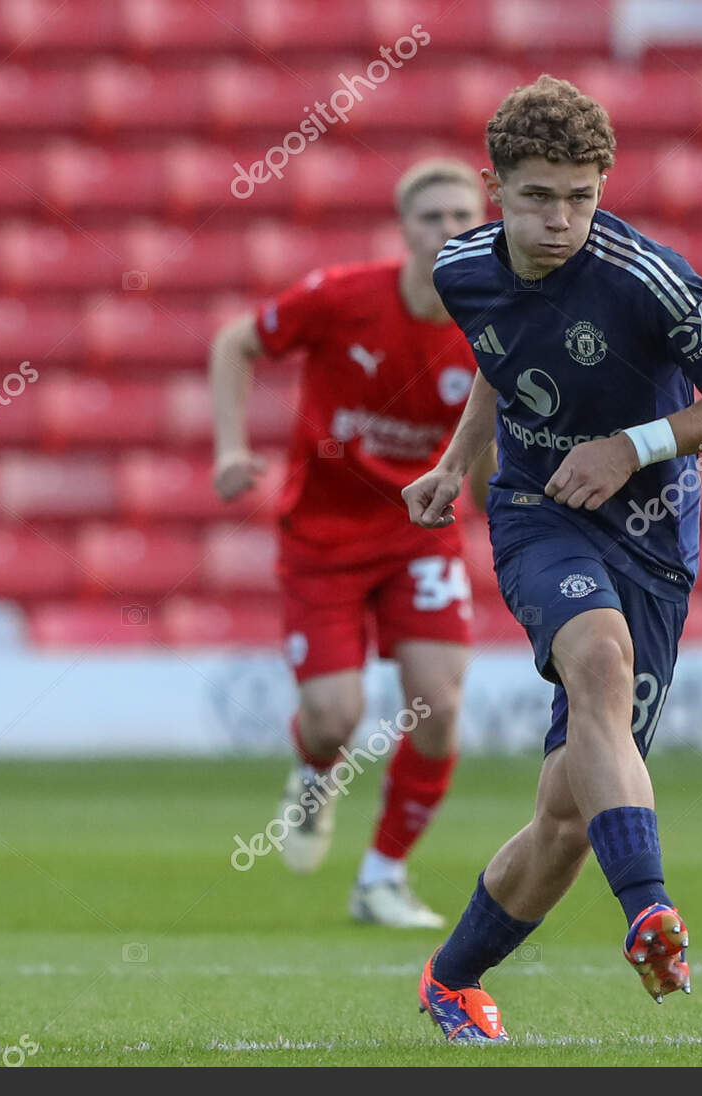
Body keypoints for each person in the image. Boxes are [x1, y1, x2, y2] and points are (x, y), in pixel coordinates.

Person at [402, 76, 702, 1041]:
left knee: (565, 820)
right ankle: (650, 910)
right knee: (598, 660)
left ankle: (452, 978)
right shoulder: (462, 269)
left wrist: (631, 446)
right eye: (538, 195)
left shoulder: (644, 276)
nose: (561, 218)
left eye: (581, 195)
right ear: (497, 189)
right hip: (539, 510)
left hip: (654, 533)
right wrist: (460, 464)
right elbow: (501, 366)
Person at [208, 158, 492, 929]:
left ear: (483, 226)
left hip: (419, 537)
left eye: (463, 216)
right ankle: (313, 769)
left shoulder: (491, 324)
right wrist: (231, 448)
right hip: (323, 539)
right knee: (336, 717)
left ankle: (382, 876)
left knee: (439, 707)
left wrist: (511, 529)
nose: (447, 230)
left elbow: (488, 442)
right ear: (404, 228)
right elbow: (237, 341)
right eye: (431, 217)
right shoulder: (341, 298)